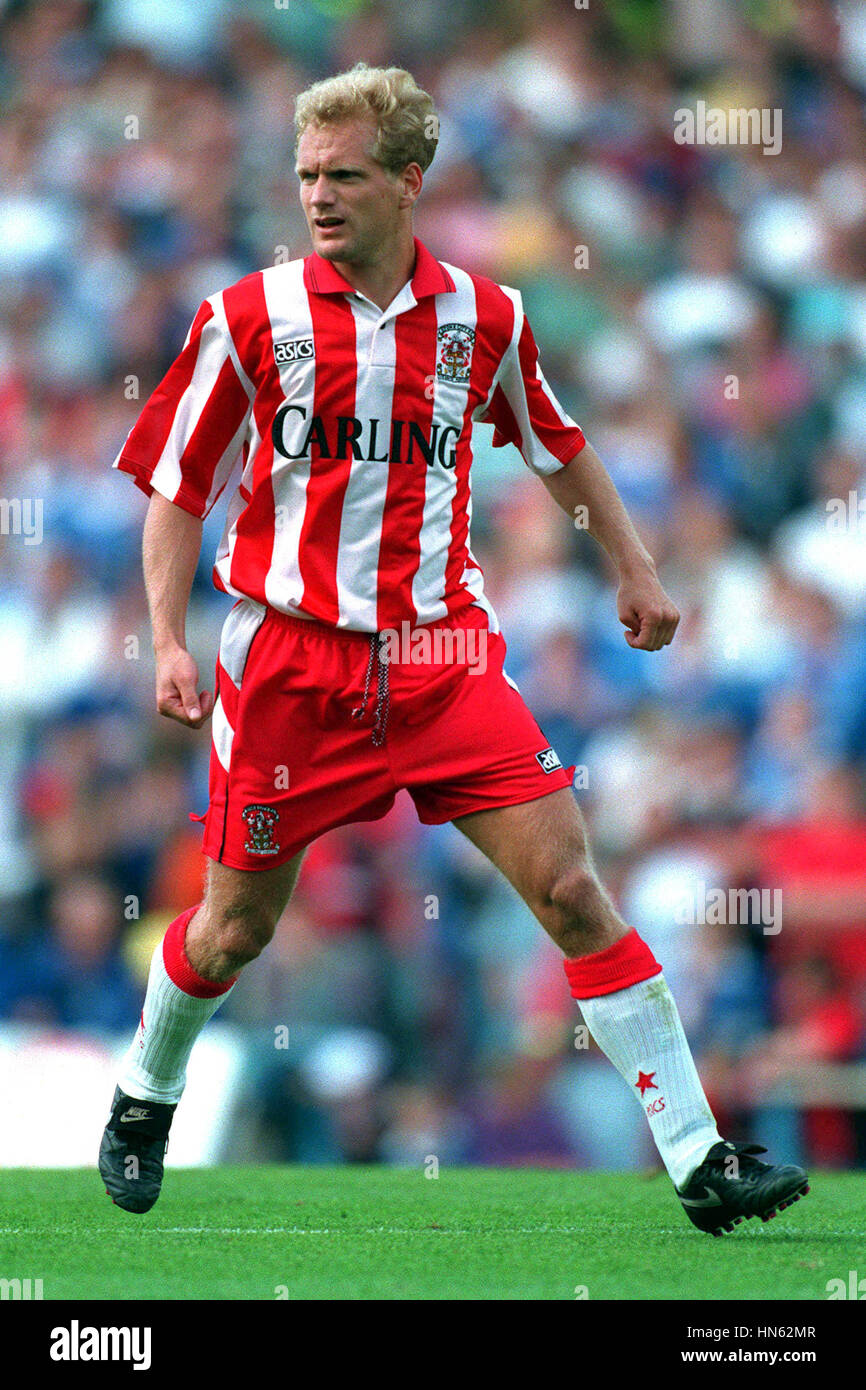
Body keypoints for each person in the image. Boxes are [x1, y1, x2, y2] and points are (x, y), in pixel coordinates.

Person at [100, 63, 808, 1234]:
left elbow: (559, 445)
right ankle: (144, 1091)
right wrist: (168, 639)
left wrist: (631, 565)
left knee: (572, 886)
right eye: (307, 176)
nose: (319, 197)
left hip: (441, 659)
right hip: (288, 665)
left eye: (346, 176)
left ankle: (698, 1158)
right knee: (236, 926)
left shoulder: (487, 317)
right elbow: (177, 489)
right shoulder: (245, 316)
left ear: (410, 182)